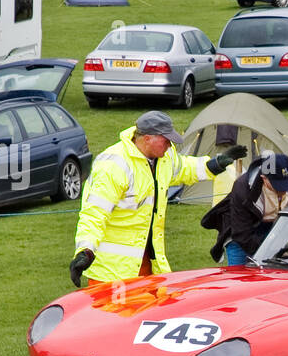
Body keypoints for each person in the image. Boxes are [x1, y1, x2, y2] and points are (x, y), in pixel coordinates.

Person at [69, 111, 244, 287]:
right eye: (166, 139)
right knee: (112, 315)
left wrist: (216, 164)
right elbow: (94, 214)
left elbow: (184, 167)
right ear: (147, 138)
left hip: (149, 267)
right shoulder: (113, 166)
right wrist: (85, 251)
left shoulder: (165, 157)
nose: (170, 144)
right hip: (111, 273)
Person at [202, 152, 288, 266]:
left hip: (277, 226)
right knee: (240, 277)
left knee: (278, 275)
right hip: (242, 233)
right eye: (279, 186)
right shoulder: (243, 188)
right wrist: (272, 251)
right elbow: (242, 235)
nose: (284, 190)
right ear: (264, 178)